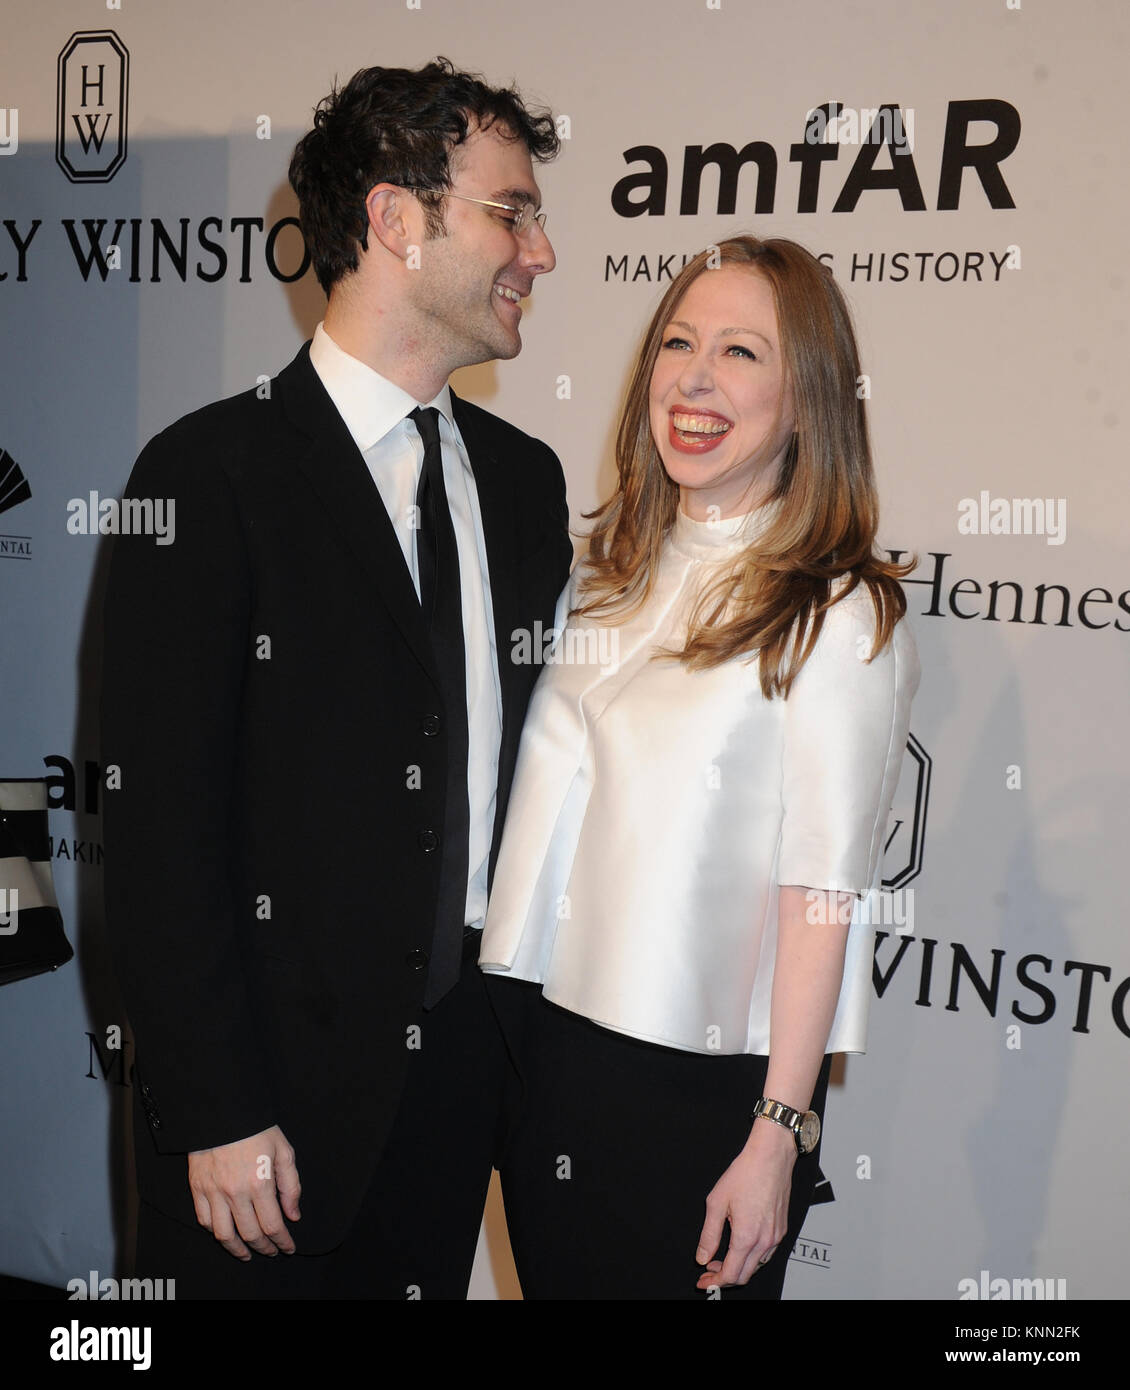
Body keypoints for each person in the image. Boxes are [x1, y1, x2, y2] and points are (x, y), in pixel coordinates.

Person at [100, 57, 570, 1299]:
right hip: (262, 1122)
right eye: (511, 211)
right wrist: (212, 1105)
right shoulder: (208, 475)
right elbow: (156, 827)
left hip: (455, 1097)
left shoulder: (524, 486)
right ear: (394, 219)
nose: (543, 251)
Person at [480, 235, 920, 1300]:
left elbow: (822, 891)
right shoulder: (603, 574)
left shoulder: (834, 612)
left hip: (698, 1098)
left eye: (739, 352)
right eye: (677, 341)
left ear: (808, 398)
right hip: (543, 1062)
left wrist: (775, 1134)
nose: (693, 376)